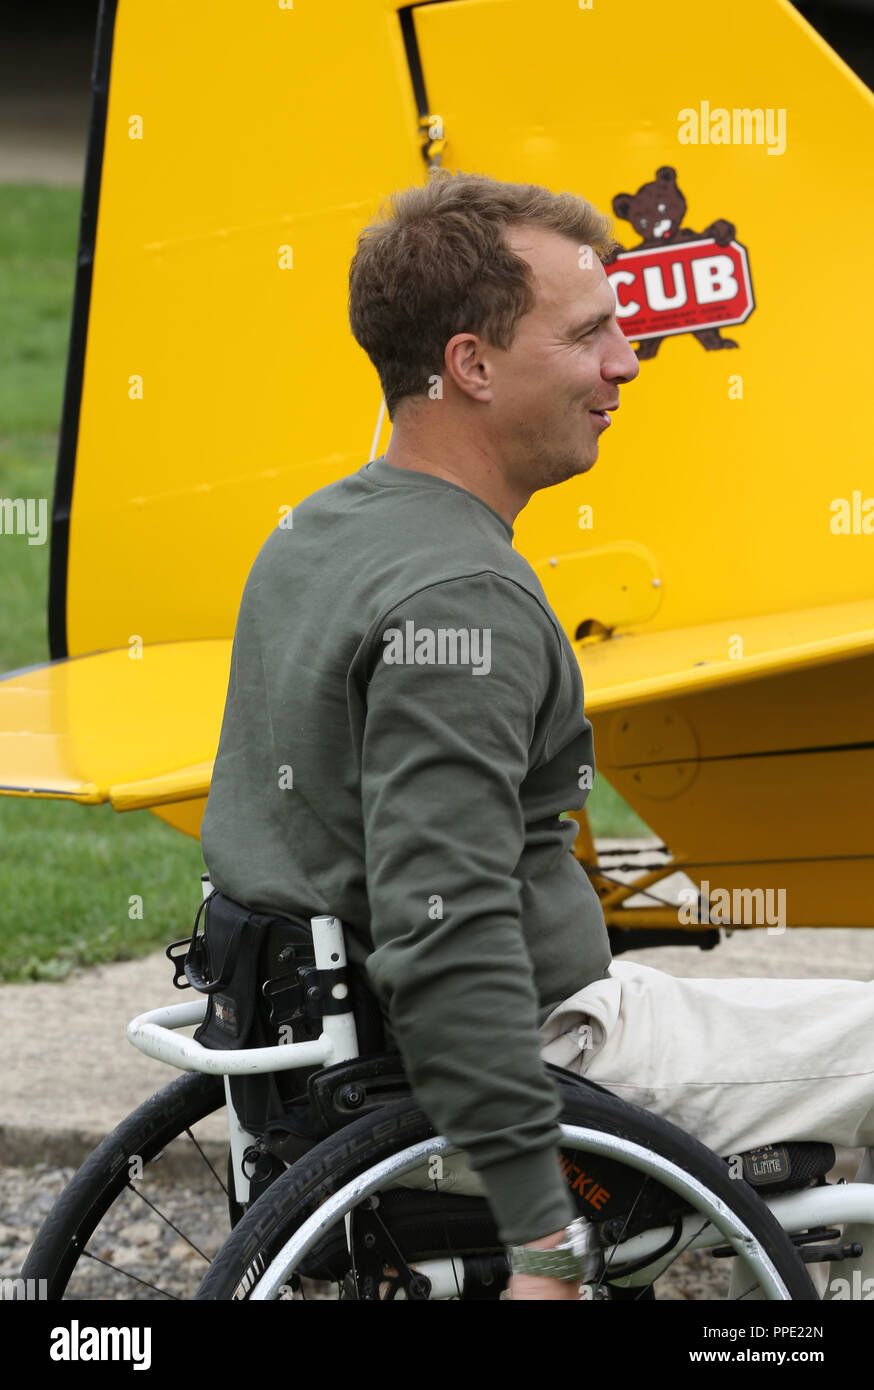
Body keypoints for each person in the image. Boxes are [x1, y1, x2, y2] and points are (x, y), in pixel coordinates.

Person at [200, 169, 874, 1301]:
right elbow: (443, 935)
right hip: (542, 1058)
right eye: (591, 335)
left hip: (341, 1046)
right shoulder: (460, 602)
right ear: (470, 365)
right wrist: (542, 1240)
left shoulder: (321, 531)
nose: (625, 364)